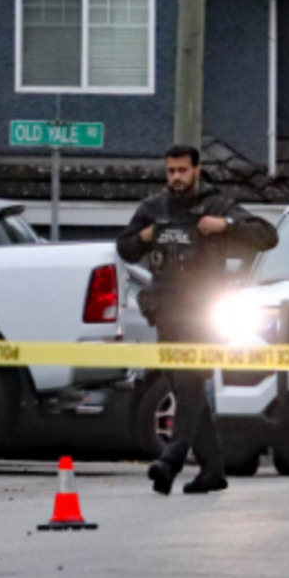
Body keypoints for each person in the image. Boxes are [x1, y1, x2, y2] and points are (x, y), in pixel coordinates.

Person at [117, 144, 278, 495]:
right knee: (183, 388)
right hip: (166, 313)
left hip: (203, 313)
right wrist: (145, 236)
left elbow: (267, 235)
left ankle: (171, 460)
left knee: (189, 383)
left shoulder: (216, 205)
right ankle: (213, 471)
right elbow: (125, 248)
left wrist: (225, 226)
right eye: (171, 171)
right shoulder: (153, 209)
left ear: (196, 170)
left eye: (182, 170)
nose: (176, 177)